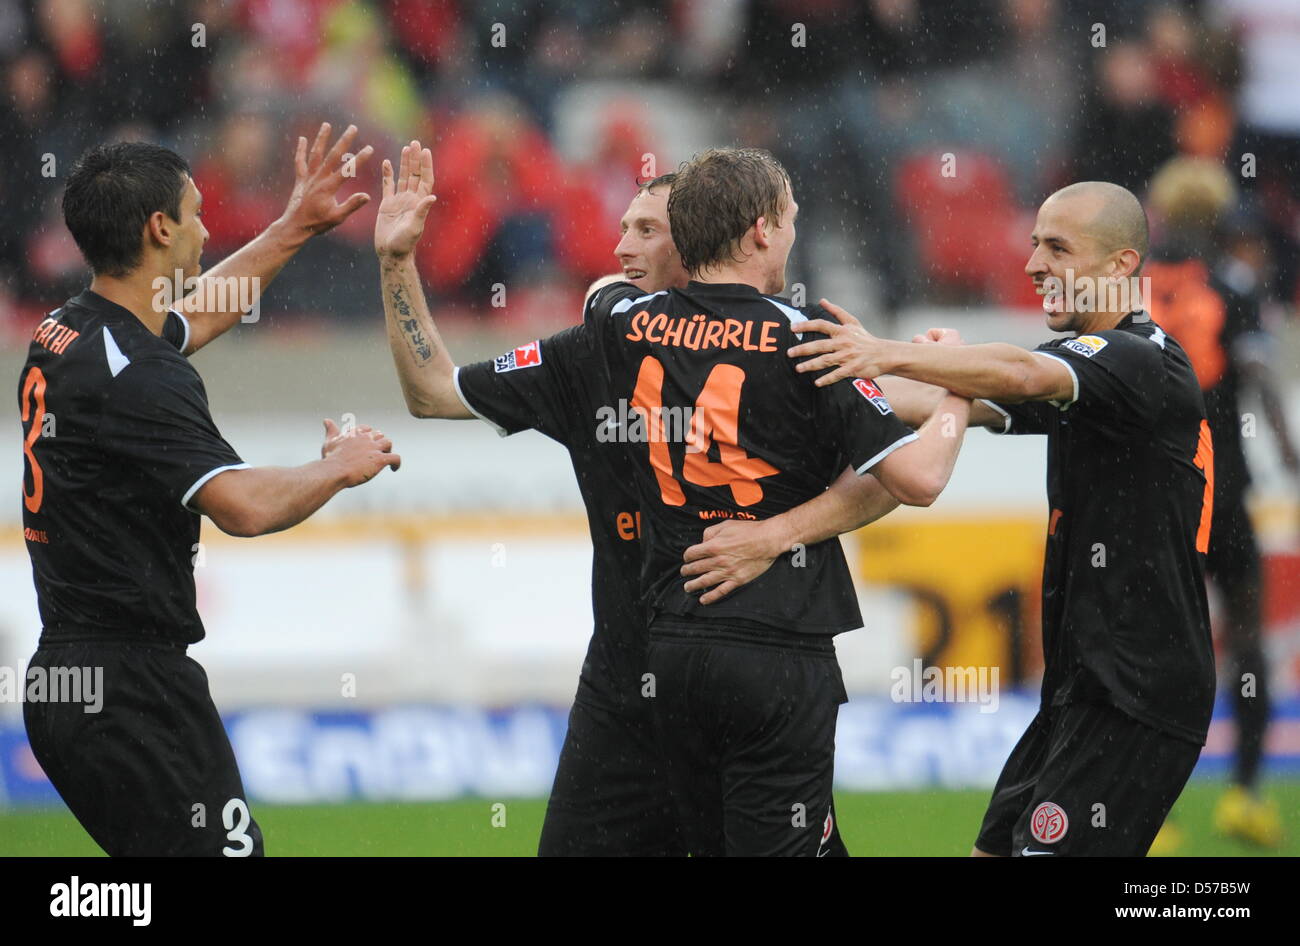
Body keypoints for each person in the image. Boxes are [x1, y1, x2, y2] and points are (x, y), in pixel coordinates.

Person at [373, 141, 912, 856]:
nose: (622, 244)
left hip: (740, 663)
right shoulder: (603, 346)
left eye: (649, 229)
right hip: (630, 690)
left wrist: (775, 533)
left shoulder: (784, 349)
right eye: (623, 226)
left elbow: (888, 466)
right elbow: (435, 393)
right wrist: (396, 263)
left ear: (698, 239)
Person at [790, 181, 1216, 857]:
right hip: (1079, 692)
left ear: (1121, 266)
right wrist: (810, 383)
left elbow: (1020, 373)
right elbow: (939, 399)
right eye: (1033, 243)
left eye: (1056, 246)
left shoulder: (1141, 362)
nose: (1032, 264)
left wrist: (885, 351)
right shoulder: (1094, 381)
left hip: (1137, 695)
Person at [19, 128, 400, 857]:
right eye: (194, 213)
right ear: (159, 229)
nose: (207, 228)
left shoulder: (64, 332)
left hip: (67, 678)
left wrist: (294, 228)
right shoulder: (140, 374)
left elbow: (195, 315)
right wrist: (338, 467)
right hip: (131, 690)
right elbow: (242, 506)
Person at [581, 147, 970, 856]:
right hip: (776, 646)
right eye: (789, 218)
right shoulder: (806, 333)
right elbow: (918, 480)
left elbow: (603, 292)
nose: (794, 231)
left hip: (671, 643)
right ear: (762, 230)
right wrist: (958, 396)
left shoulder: (626, 325)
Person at [1145, 156, 1294, 847]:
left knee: (1162, 648)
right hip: (1227, 489)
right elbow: (1260, 371)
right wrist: (1289, 450)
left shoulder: (1135, 287)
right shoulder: (1234, 284)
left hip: (1160, 493)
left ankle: (1156, 808)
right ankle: (1243, 792)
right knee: (1248, 644)